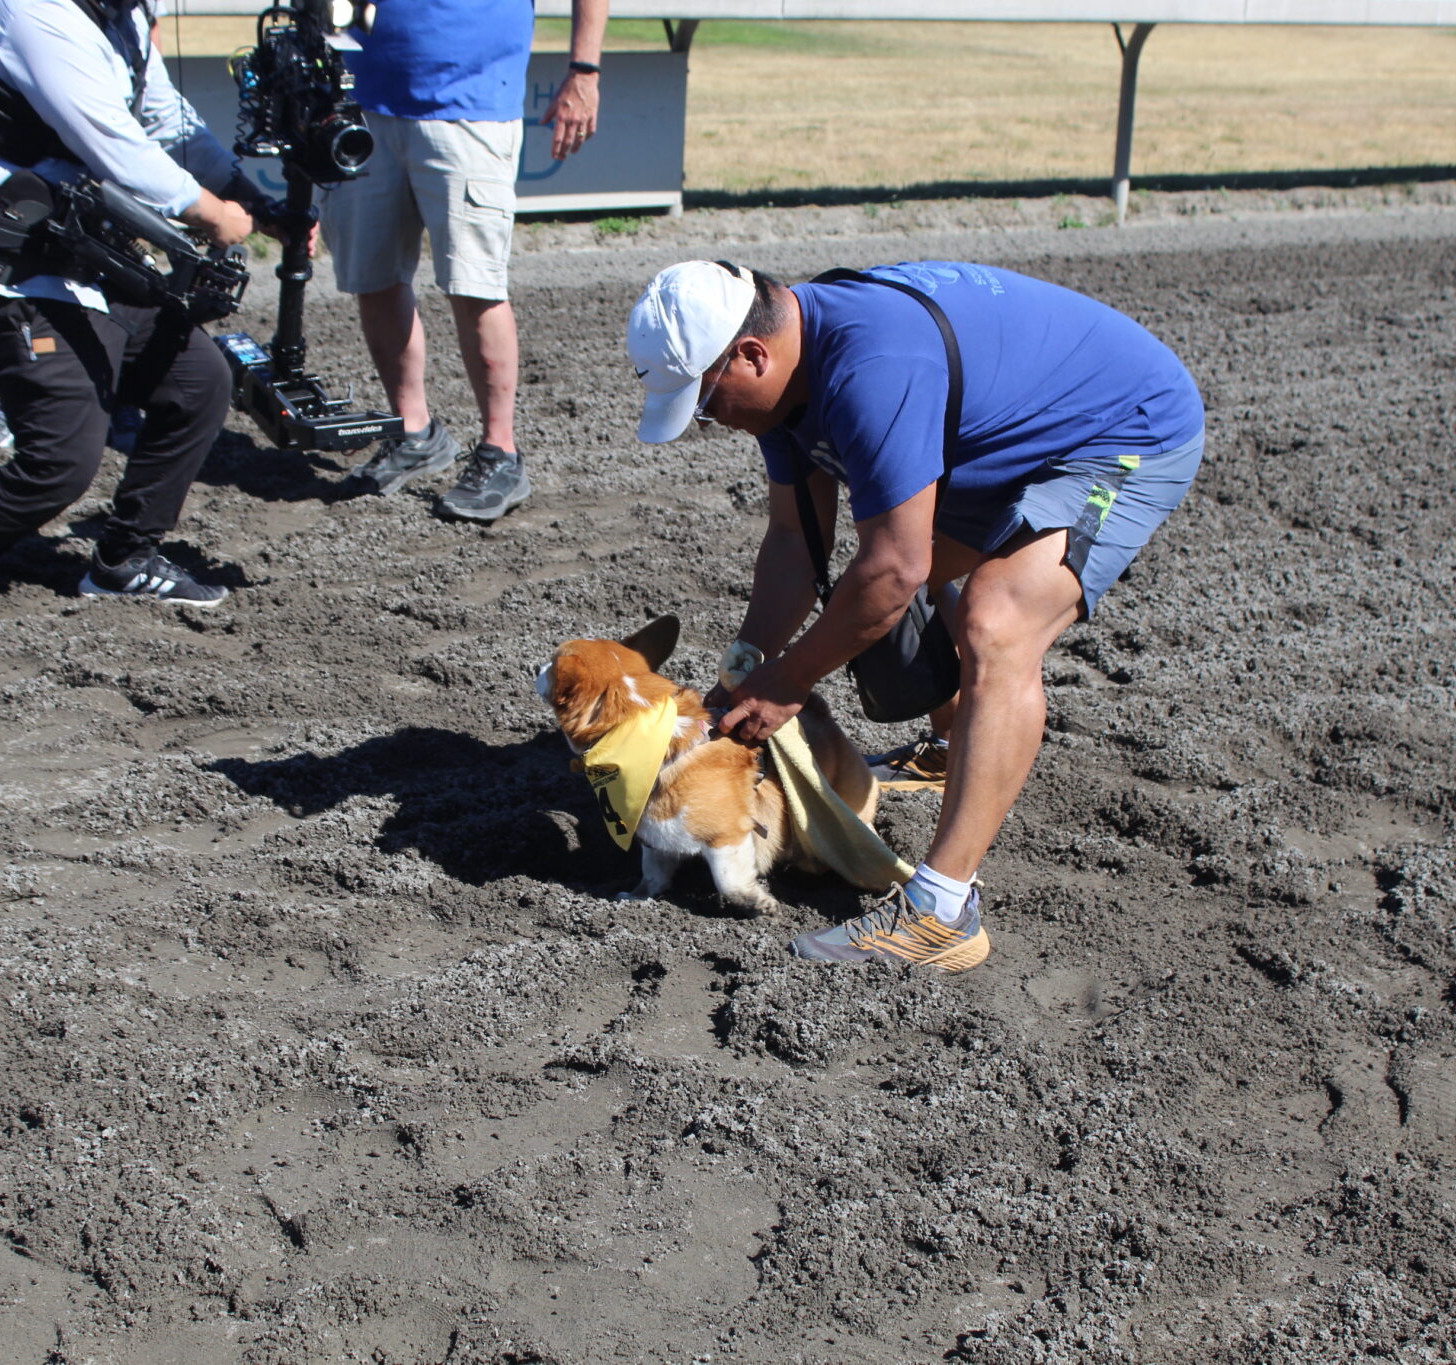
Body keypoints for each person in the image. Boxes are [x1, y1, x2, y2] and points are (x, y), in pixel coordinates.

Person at [627, 260, 1204, 972]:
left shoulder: (871, 368)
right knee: (881, 592)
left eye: (709, 400)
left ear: (751, 355)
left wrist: (790, 681)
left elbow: (895, 570)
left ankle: (941, 912)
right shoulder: (785, 385)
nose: (713, 421)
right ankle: (952, 747)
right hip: (1000, 439)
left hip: (1122, 430)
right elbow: (791, 544)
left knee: (994, 621)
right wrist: (745, 669)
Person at [0, 0, 269, 645]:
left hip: (90, 256)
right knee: (63, 458)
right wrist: (211, 211)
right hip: (5, 269)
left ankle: (124, 559)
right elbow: (109, 136)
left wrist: (251, 193)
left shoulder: (123, 14)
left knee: (197, 383)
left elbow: (160, 116)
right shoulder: (30, 10)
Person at [318, 0, 607, 522]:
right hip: (360, 98)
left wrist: (584, 72)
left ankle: (501, 451)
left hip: (470, 103)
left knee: (475, 286)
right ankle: (413, 432)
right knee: (374, 277)